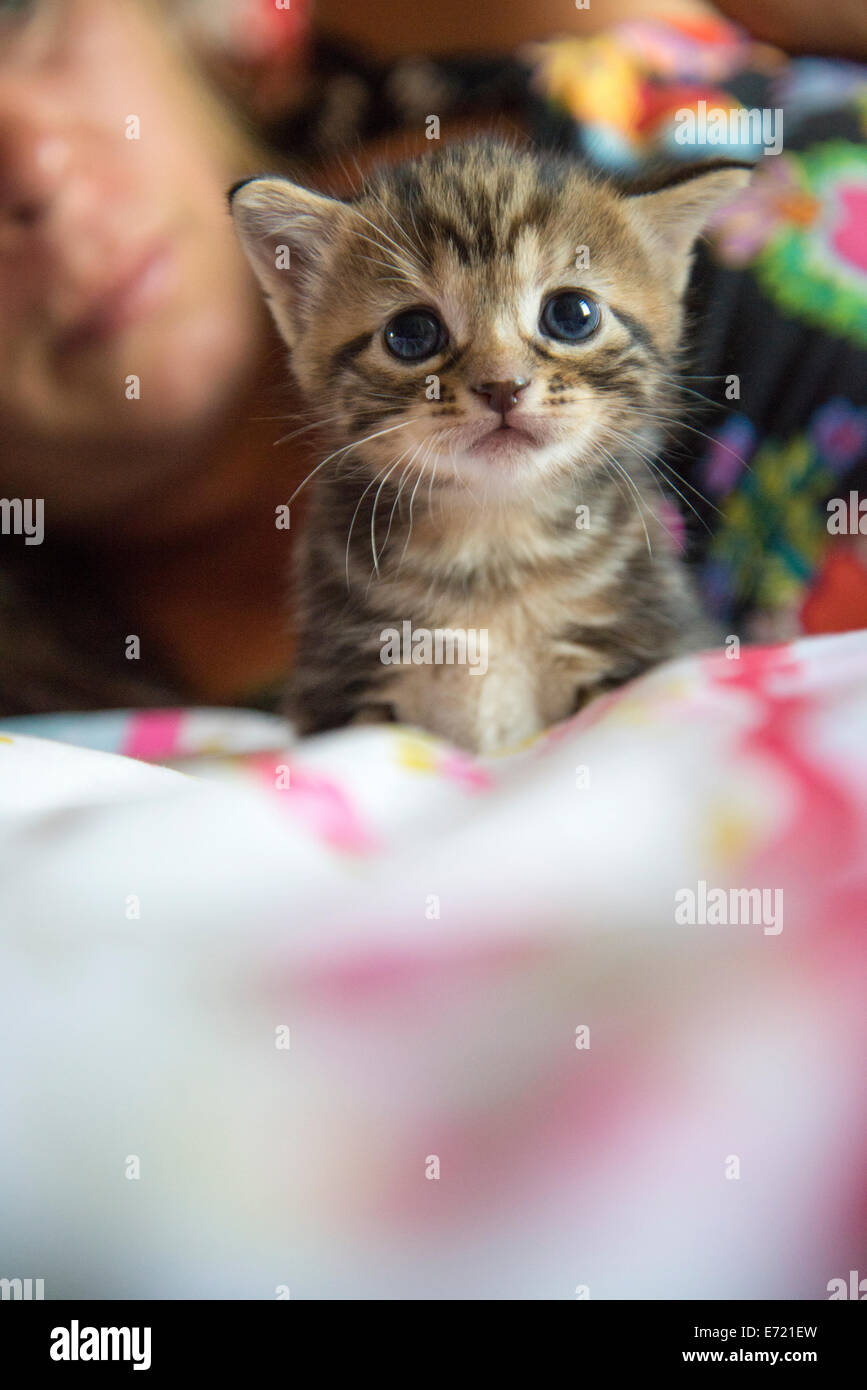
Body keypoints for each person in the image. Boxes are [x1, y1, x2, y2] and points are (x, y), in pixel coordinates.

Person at [0, 0, 865, 716]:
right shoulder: (64, 748)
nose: (37, 168)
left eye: (18, 14)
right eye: (414, 334)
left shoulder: (431, 36)